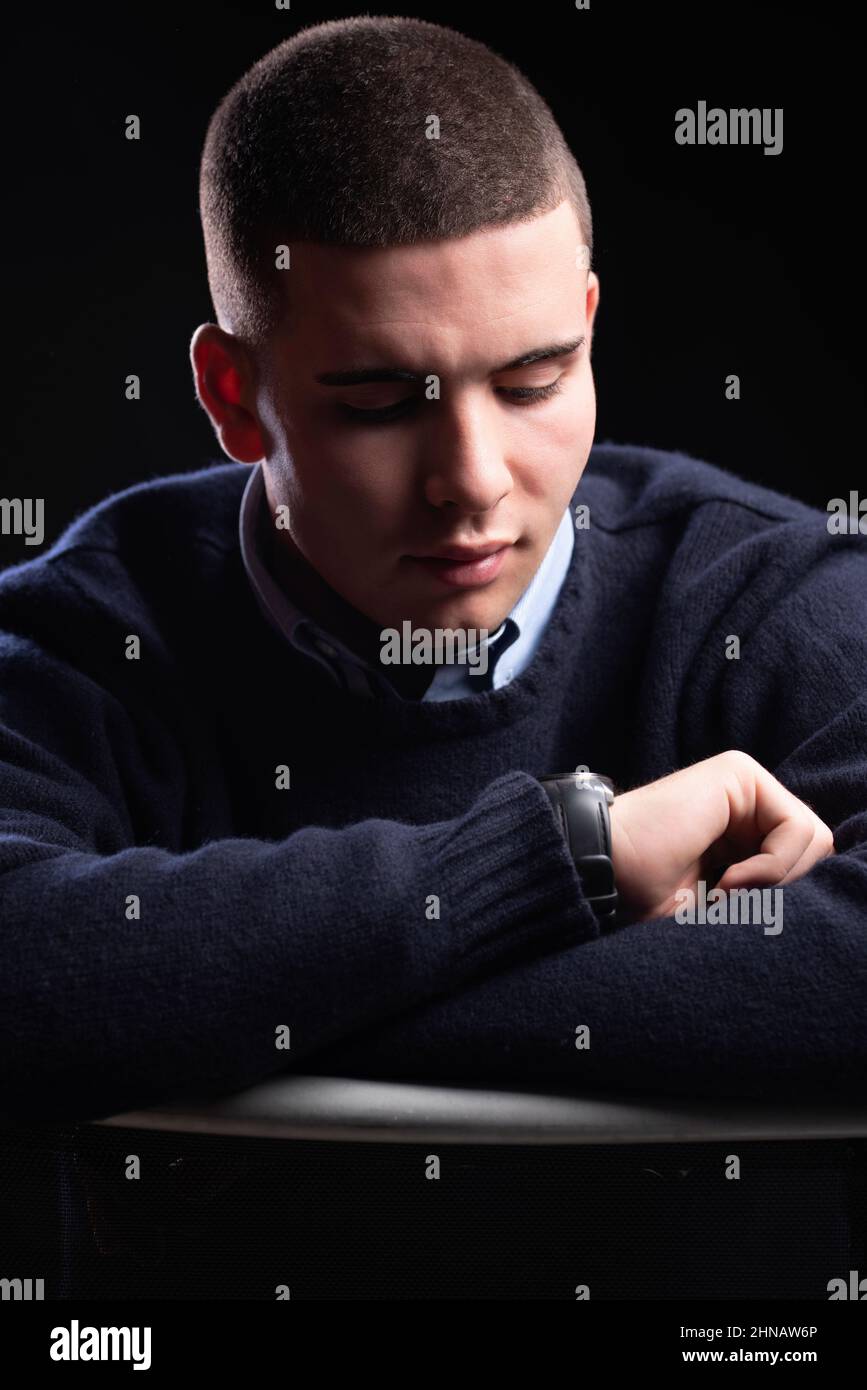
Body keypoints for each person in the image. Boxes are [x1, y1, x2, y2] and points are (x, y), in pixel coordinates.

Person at [1, 15, 865, 1136]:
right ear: (230, 395)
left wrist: (225, 1000)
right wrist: (574, 858)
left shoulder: (766, 593)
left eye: (534, 381)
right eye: (376, 402)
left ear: (590, 329)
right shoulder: (91, 641)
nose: (472, 482)